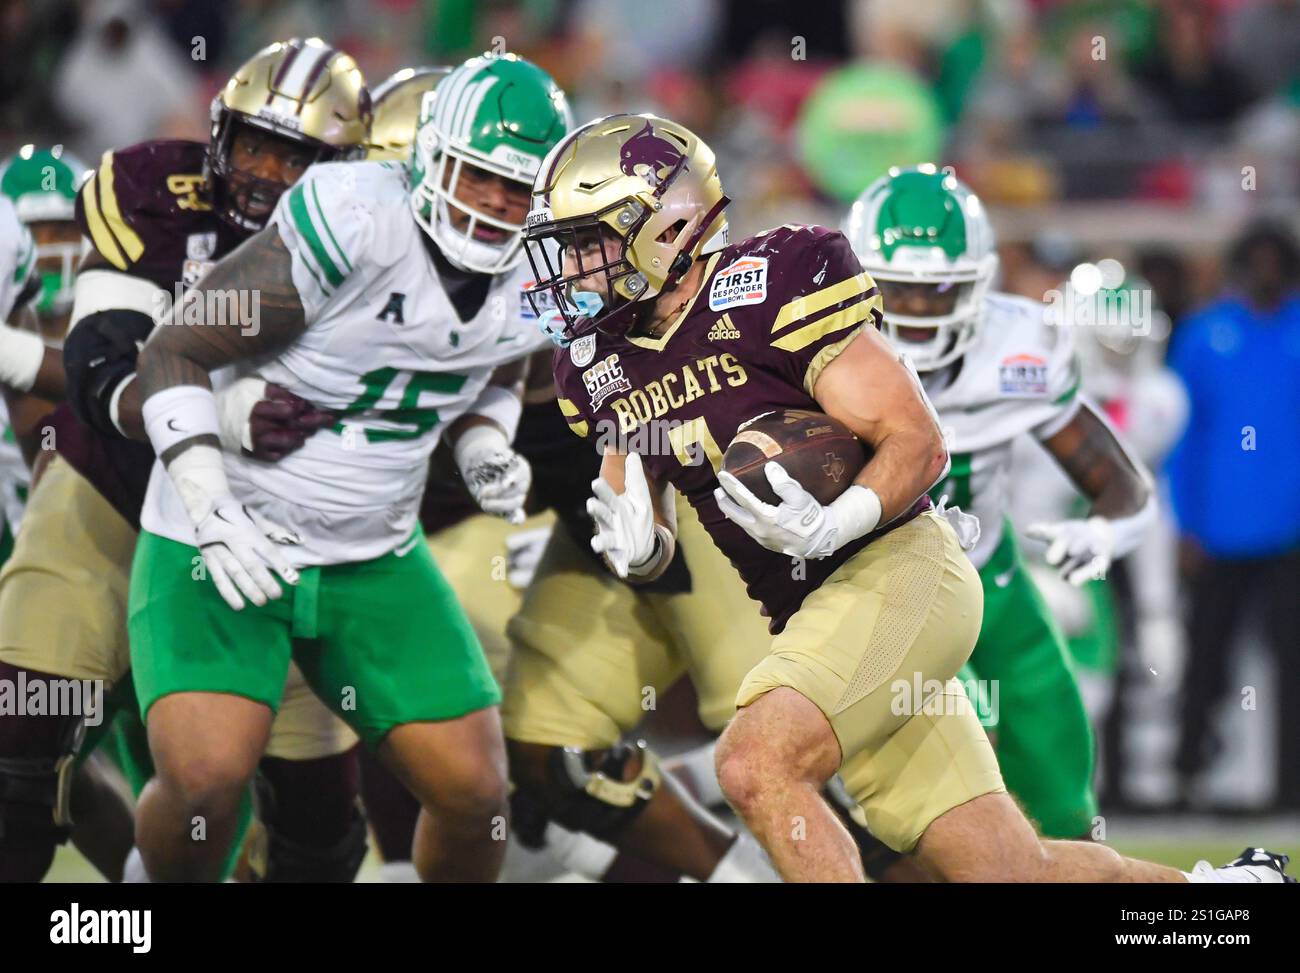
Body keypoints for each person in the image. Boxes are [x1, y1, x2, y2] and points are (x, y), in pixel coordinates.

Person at [524, 112, 1293, 883]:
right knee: (1009, 871)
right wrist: (643, 542)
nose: (574, 267)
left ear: (666, 225)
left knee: (755, 763)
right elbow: (643, 473)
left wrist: (835, 520)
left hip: (898, 570)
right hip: (811, 612)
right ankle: (1224, 897)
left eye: (588, 241)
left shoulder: (770, 284)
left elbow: (918, 441)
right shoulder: (596, 363)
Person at [124, 52, 570, 882]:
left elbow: (507, 357)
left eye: (520, 189)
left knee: (479, 797)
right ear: (431, 160)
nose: (499, 204)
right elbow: (174, 349)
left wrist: (480, 438)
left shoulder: (545, 273)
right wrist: (211, 508)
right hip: (223, 536)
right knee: (204, 784)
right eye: (479, 178)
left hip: (373, 553)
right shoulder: (359, 221)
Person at [0, 38, 371, 884]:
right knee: (16, 736)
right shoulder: (155, 195)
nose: (266, 175)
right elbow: (99, 367)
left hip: (278, 533)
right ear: (219, 137)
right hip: (115, 495)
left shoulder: (375, 246)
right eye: (254, 146)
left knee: (315, 825)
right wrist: (208, 414)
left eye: (296, 157)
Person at [1168, 220, 1300, 811]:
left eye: (1277, 263)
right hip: (1217, 528)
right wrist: (1182, 523)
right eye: (1257, 262)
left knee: (1293, 665)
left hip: (1290, 531)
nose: (1266, 274)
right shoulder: (1203, 334)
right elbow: (1179, 435)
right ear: (1240, 267)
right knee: (1205, 660)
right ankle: (1187, 777)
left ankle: (1289, 786)